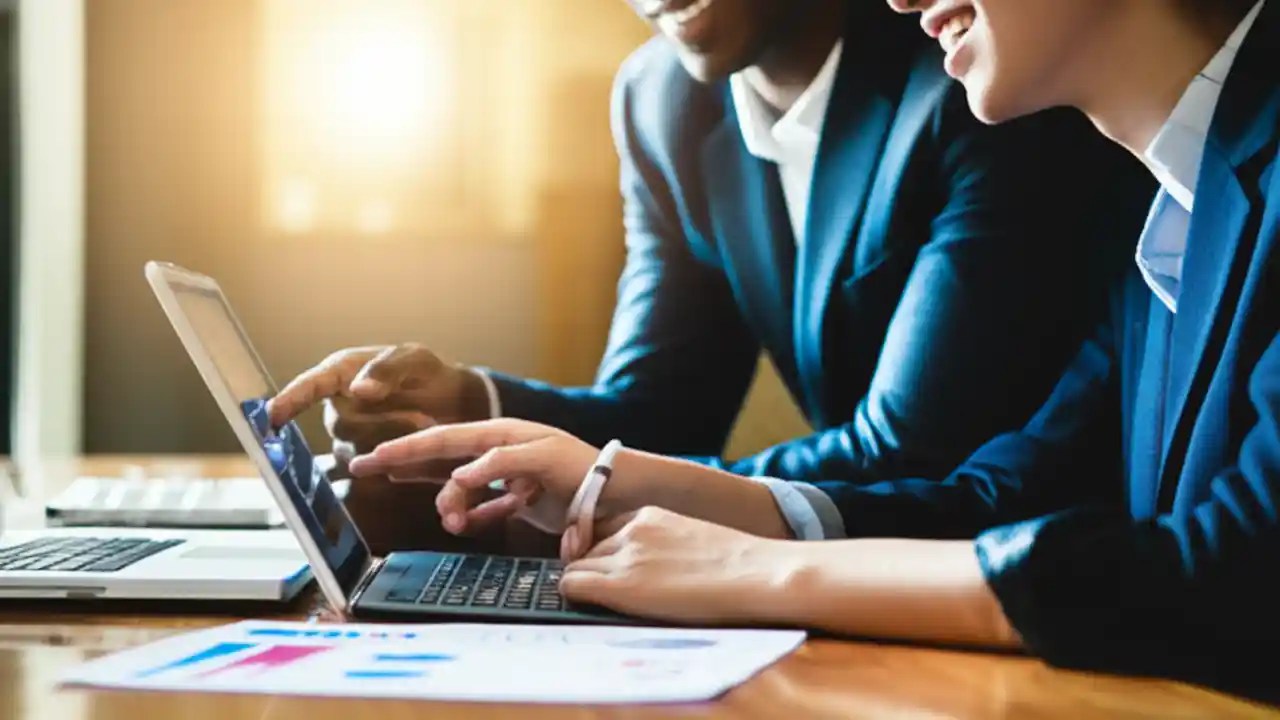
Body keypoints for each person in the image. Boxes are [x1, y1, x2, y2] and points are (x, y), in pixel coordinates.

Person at [342, 0, 1280, 694]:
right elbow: (1006, 490)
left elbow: (1231, 574)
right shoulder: (1167, 214)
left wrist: (761, 571)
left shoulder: (1012, 128)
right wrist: (624, 484)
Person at [267, 0, 1151, 493]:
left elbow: (913, 449)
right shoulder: (661, 101)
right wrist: (467, 410)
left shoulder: (977, 68)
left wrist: (593, 489)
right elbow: (660, 409)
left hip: (1050, 559)